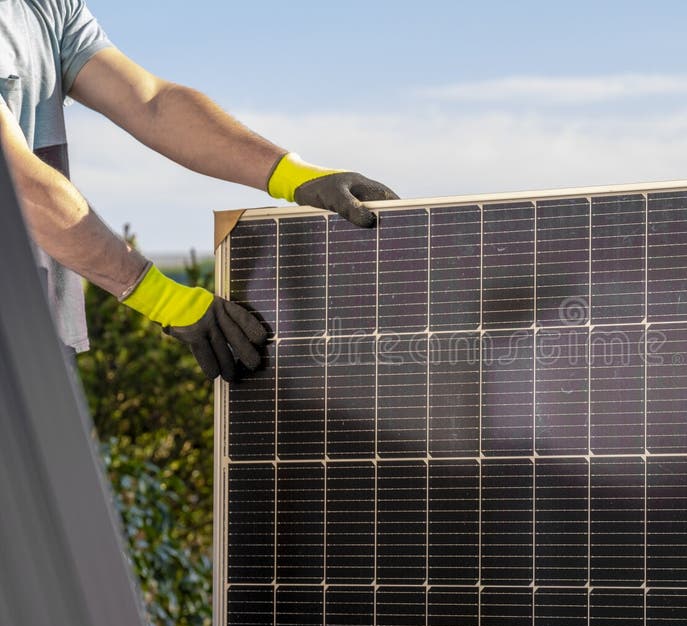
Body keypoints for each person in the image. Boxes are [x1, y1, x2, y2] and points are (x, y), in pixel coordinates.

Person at [0, 0, 397, 381]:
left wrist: (295, 176)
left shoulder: (46, 6)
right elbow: (18, 181)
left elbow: (151, 103)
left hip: (33, 336)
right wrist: (159, 297)